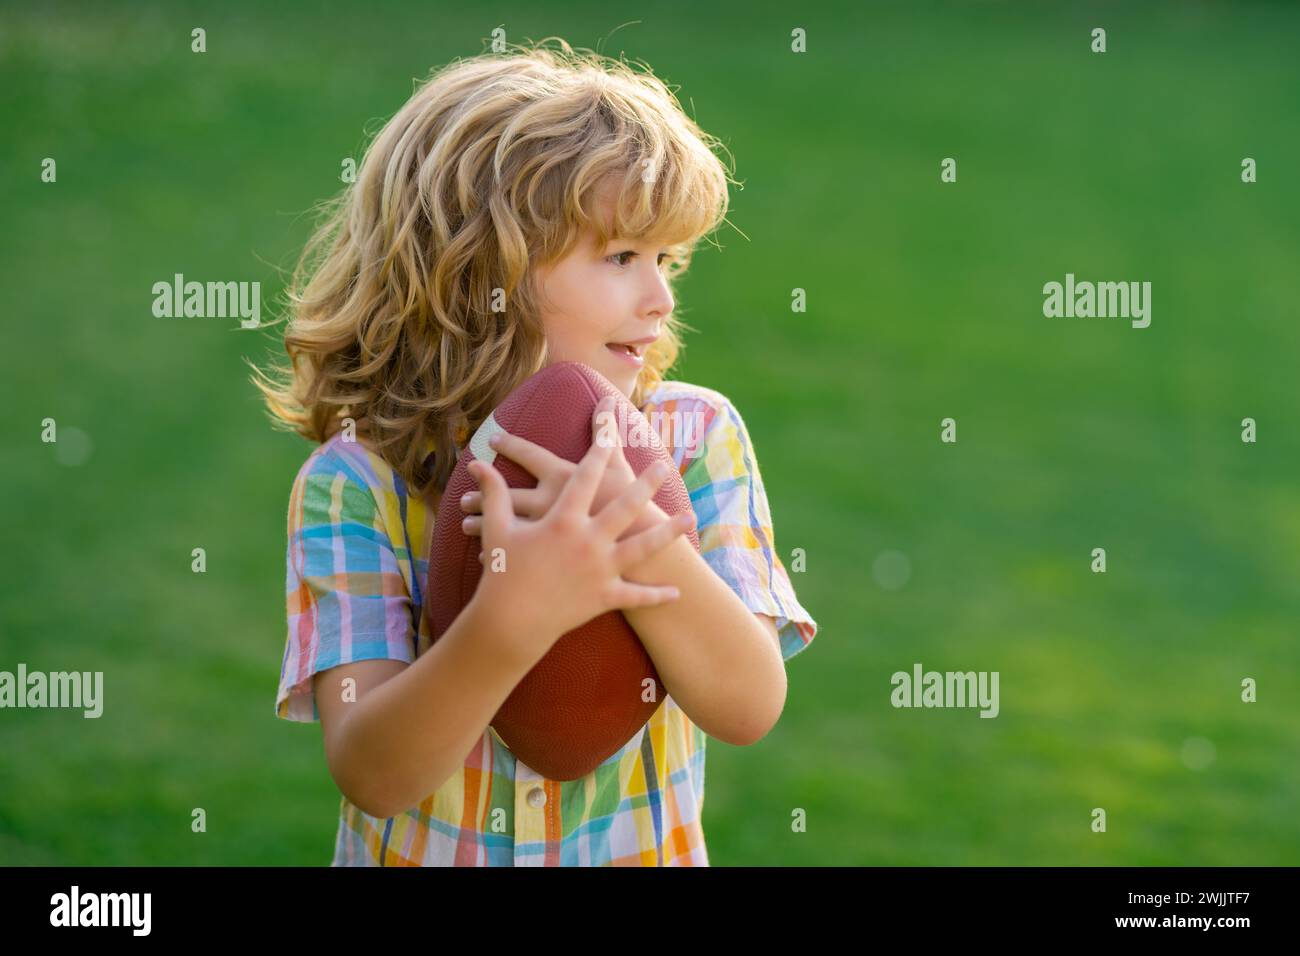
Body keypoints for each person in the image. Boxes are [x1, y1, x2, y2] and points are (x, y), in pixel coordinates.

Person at [252, 37, 817, 866]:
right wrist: (514, 616)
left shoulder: (694, 438)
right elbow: (372, 770)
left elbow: (749, 704)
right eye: (622, 257)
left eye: (668, 260)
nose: (660, 297)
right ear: (479, 270)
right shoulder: (358, 483)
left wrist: (637, 541)